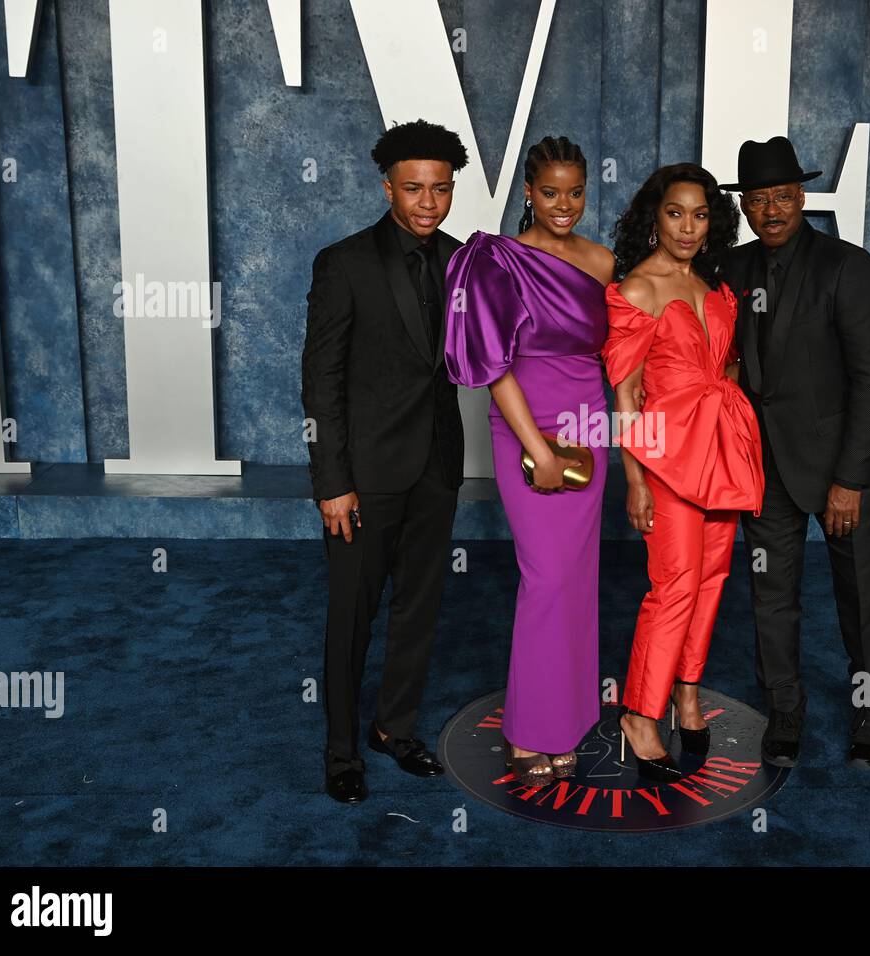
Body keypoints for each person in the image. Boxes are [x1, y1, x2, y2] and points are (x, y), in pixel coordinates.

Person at [301, 119, 468, 804]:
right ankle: (341, 752)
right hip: (364, 477)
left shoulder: (462, 260)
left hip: (436, 467)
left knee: (419, 609)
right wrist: (332, 483)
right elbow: (321, 381)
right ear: (386, 187)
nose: (428, 203)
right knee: (352, 615)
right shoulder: (344, 263)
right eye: (414, 189)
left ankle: (394, 730)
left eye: (441, 189)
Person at [719, 136, 870, 770]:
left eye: (783, 197)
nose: (771, 210)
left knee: (861, 593)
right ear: (743, 208)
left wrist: (849, 480)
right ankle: (786, 710)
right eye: (758, 199)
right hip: (762, 469)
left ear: (802, 197)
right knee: (770, 595)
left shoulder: (848, 266)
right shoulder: (731, 271)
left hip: (840, 469)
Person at [444, 136, 614, 787]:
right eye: (550, 192)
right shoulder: (499, 261)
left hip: (586, 424)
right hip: (525, 426)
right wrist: (538, 449)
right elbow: (494, 367)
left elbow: (617, 352)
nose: (563, 204)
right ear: (527, 193)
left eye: (575, 192)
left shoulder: (602, 261)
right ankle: (527, 732)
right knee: (544, 577)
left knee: (576, 578)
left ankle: (566, 722)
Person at [602, 163, 764, 782]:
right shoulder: (637, 289)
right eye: (675, 213)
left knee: (713, 577)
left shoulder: (717, 287)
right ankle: (640, 715)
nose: (688, 227)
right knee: (673, 586)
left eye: (700, 214)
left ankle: (686, 695)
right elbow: (625, 396)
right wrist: (636, 481)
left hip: (720, 452)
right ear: (654, 216)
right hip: (666, 459)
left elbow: (728, 371)